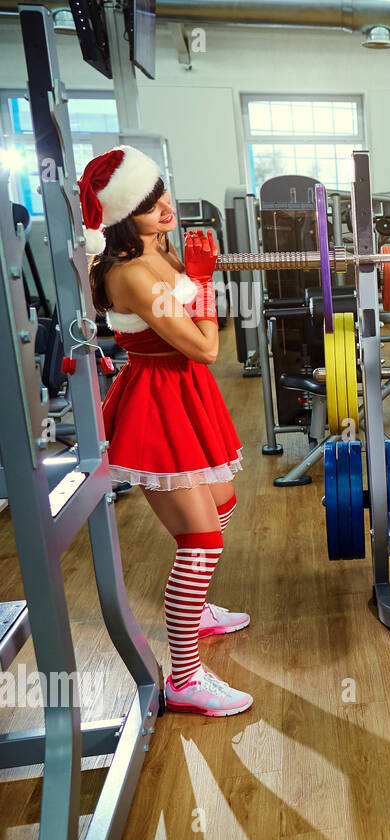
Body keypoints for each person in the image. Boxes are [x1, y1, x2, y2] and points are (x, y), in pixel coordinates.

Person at [81, 145, 251, 717]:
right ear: (122, 216)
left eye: (161, 194)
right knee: (202, 541)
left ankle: (197, 612)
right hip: (159, 399)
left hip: (186, 394)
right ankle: (183, 678)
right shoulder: (129, 272)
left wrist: (196, 277)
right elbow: (206, 346)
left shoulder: (158, 248)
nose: (164, 207)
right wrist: (203, 282)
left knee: (222, 502)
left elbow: (198, 329)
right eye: (147, 204)